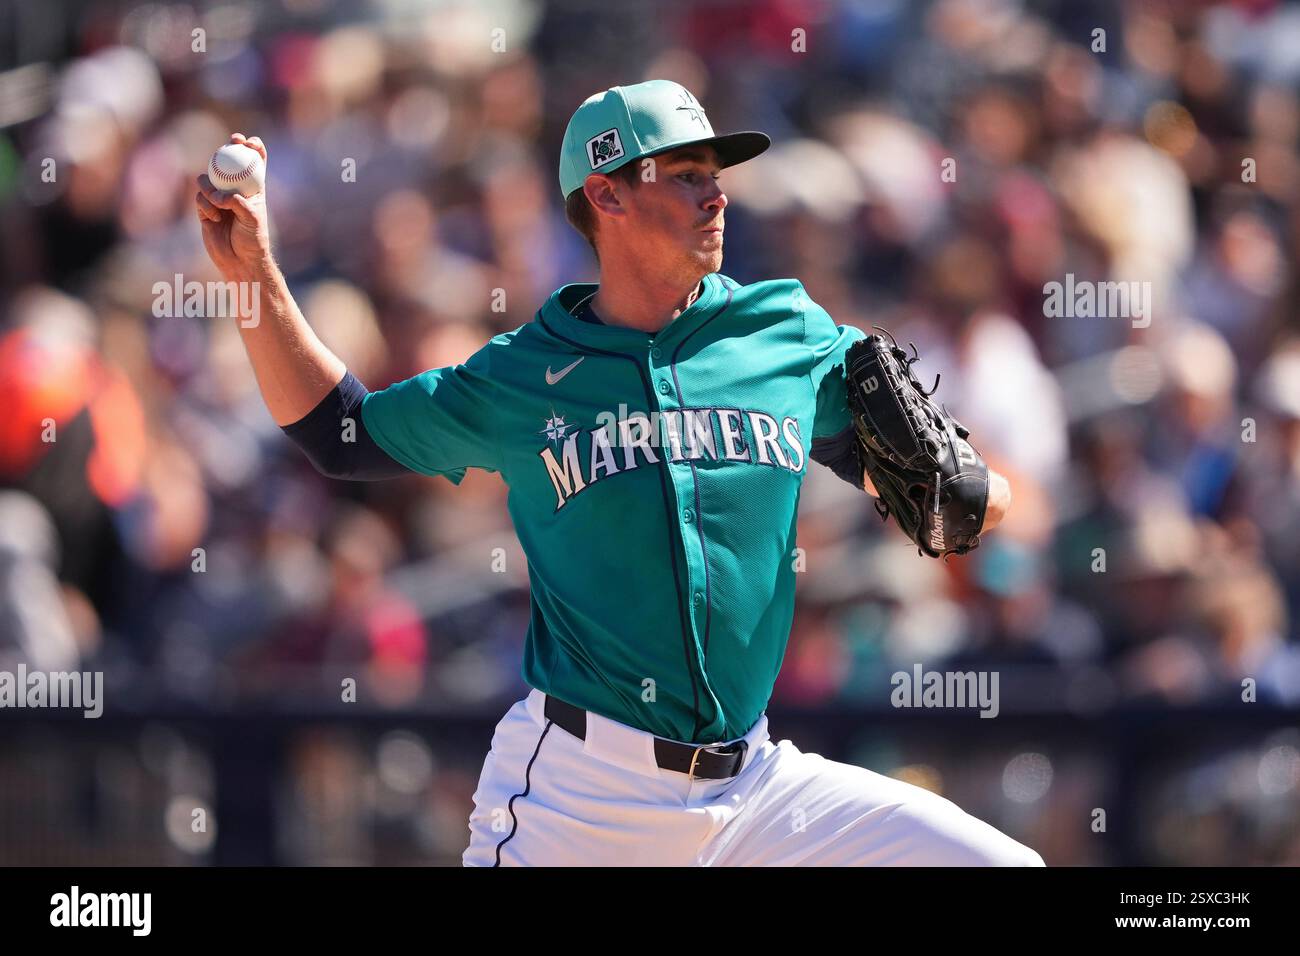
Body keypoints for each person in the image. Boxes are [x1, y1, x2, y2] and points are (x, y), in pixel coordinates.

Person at [195, 79, 1038, 866]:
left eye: (717, 174)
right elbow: (342, 434)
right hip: (579, 797)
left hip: (757, 790)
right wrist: (252, 275)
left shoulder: (783, 333)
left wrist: (967, 495)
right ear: (606, 194)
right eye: (684, 174)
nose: (717, 194)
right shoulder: (524, 374)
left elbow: (957, 502)